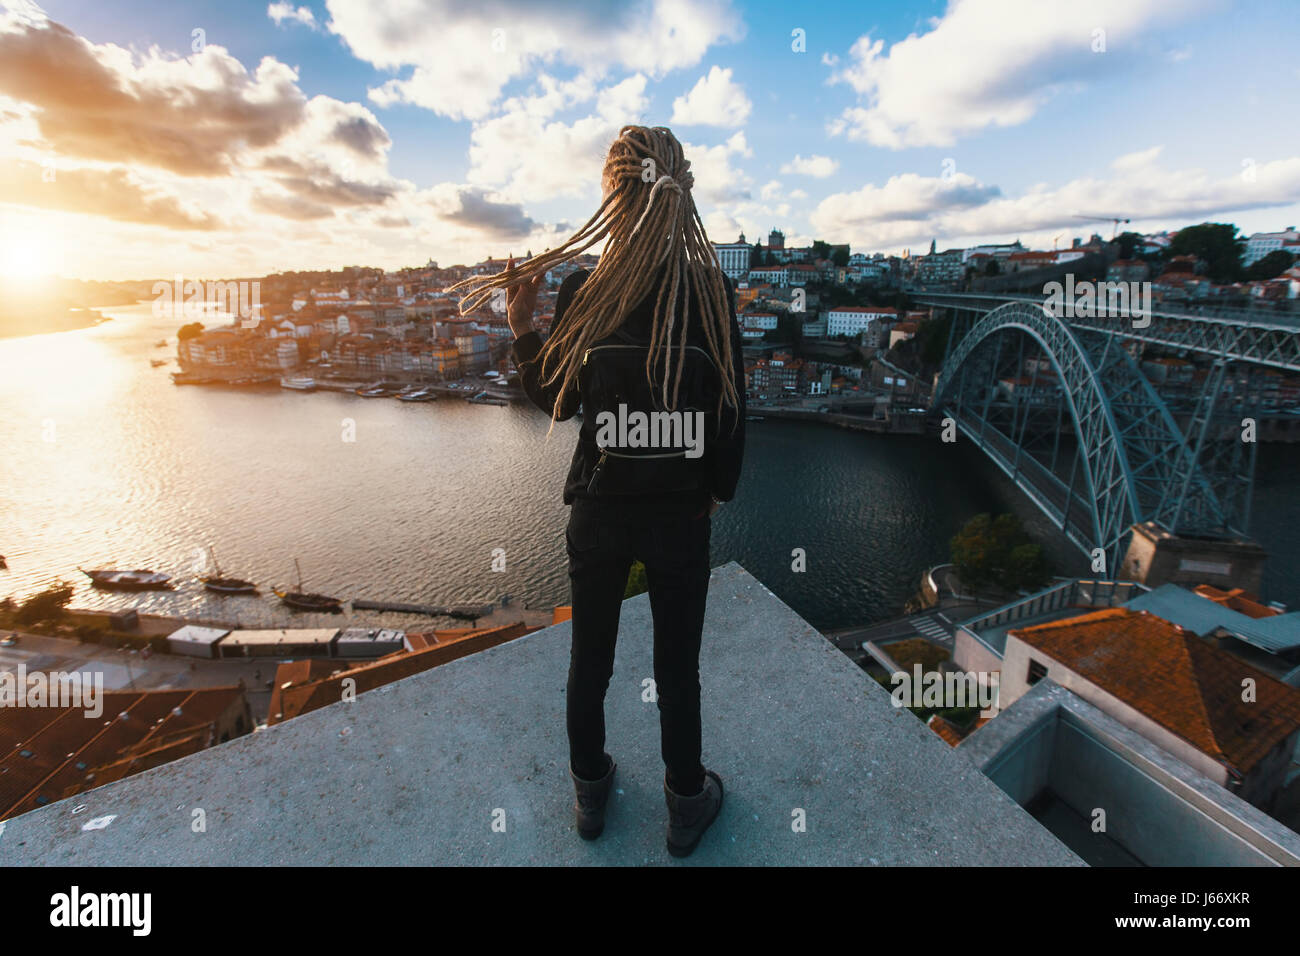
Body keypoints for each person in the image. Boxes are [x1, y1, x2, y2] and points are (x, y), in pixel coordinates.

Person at [449, 126, 745, 858]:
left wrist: (522, 328)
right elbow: (734, 407)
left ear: (613, 196)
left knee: (591, 658)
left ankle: (590, 792)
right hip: (679, 514)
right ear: (681, 196)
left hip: (601, 511)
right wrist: (717, 490)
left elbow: (554, 397)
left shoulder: (590, 289)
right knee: (677, 668)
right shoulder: (710, 289)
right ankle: (684, 801)